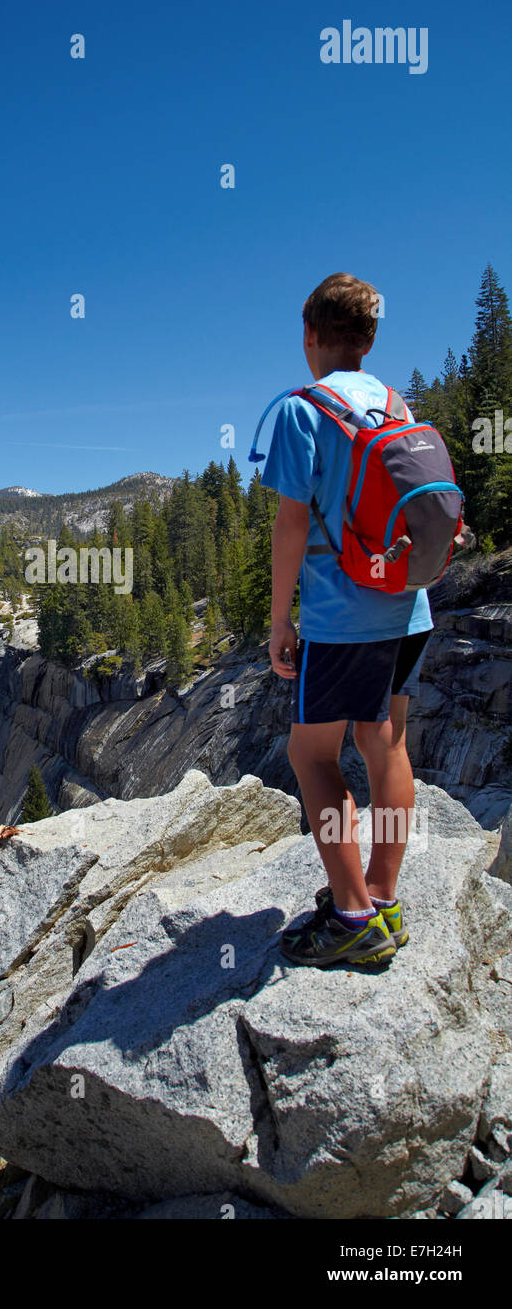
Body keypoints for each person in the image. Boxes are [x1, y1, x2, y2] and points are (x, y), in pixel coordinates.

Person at [261, 272, 432, 967]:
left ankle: (353, 916)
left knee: (312, 755)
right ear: (367, 339)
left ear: (310, 337)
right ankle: (383, 900)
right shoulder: (397, 405)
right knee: (385, 743)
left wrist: (281, 621)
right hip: (410, 602)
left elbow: (292, 524)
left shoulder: (304, 412)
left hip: (342, 615)